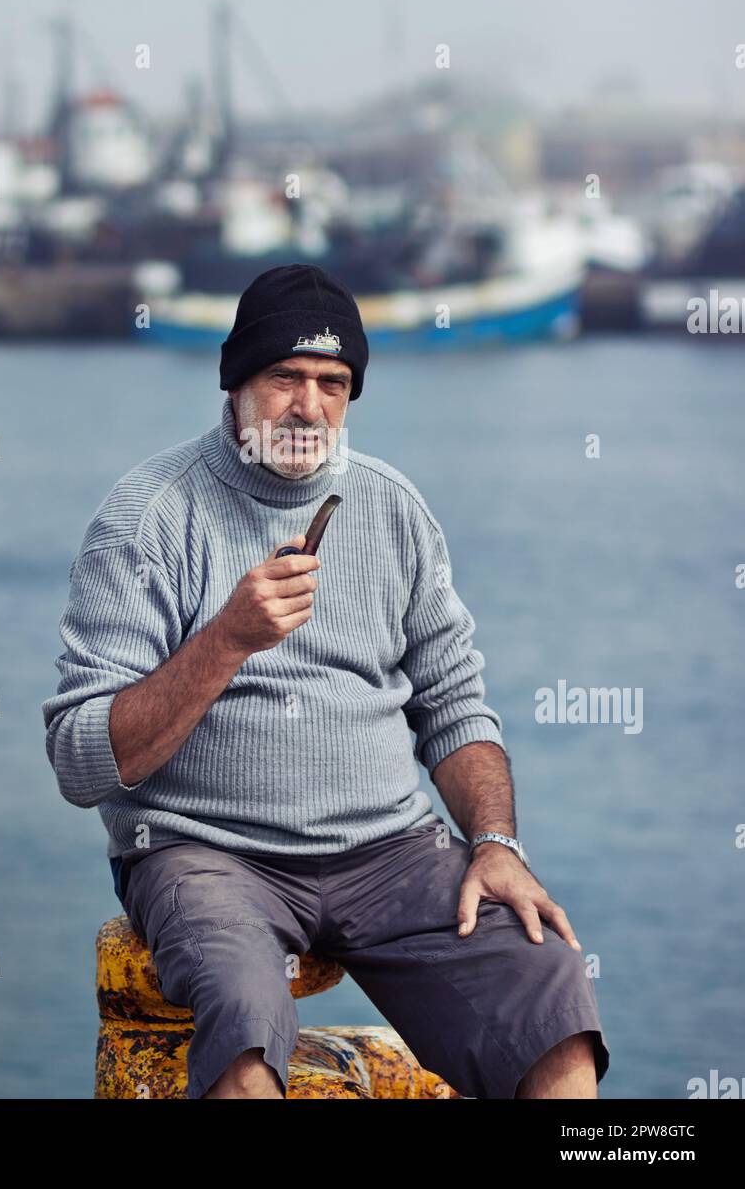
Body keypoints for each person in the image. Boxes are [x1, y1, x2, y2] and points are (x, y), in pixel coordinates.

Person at [41, 263, 610, 1100]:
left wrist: (495, 844)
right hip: (206, 853)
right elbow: (78, 763)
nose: (309, 407)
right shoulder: (148, 518)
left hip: (392, 853)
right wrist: (227, 640)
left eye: (333, 383)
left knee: (551, 992)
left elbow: (455, 708)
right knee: (242, 1025)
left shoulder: (393, 509)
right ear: (235, 383)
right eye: (285, 378)